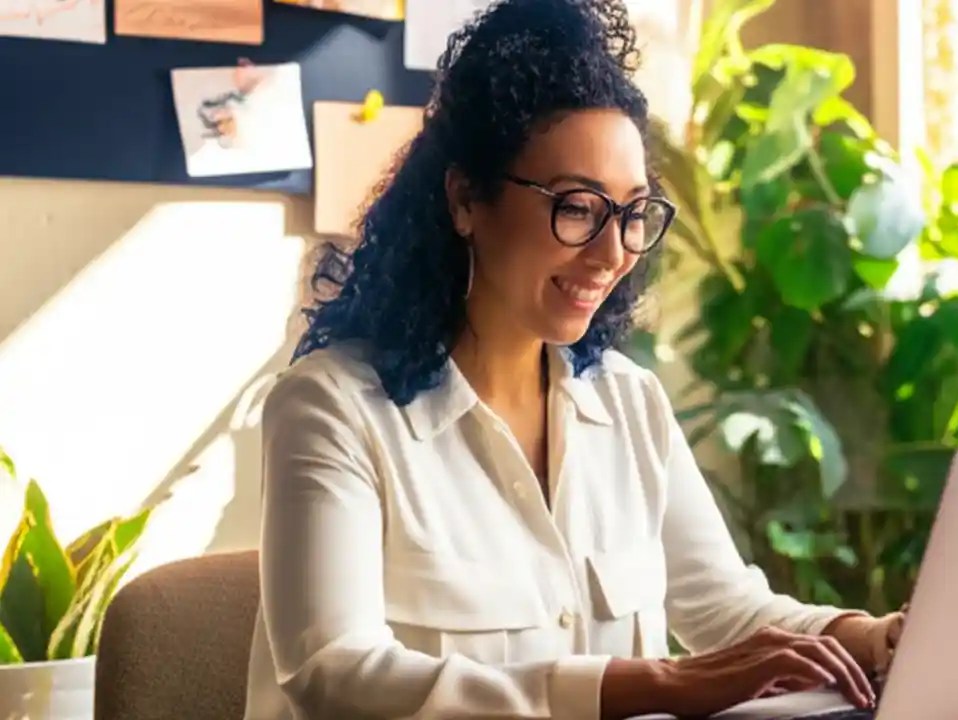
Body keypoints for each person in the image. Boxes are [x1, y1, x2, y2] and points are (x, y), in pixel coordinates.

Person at [243, 1, 904, 718]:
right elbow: (334, 672)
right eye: (578, 207)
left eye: (632, 212)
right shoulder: (333, 407)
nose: (614, 251)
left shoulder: (628, 403)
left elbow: (728, 611)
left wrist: (875, 638)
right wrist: (655, 685)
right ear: (466, 198)